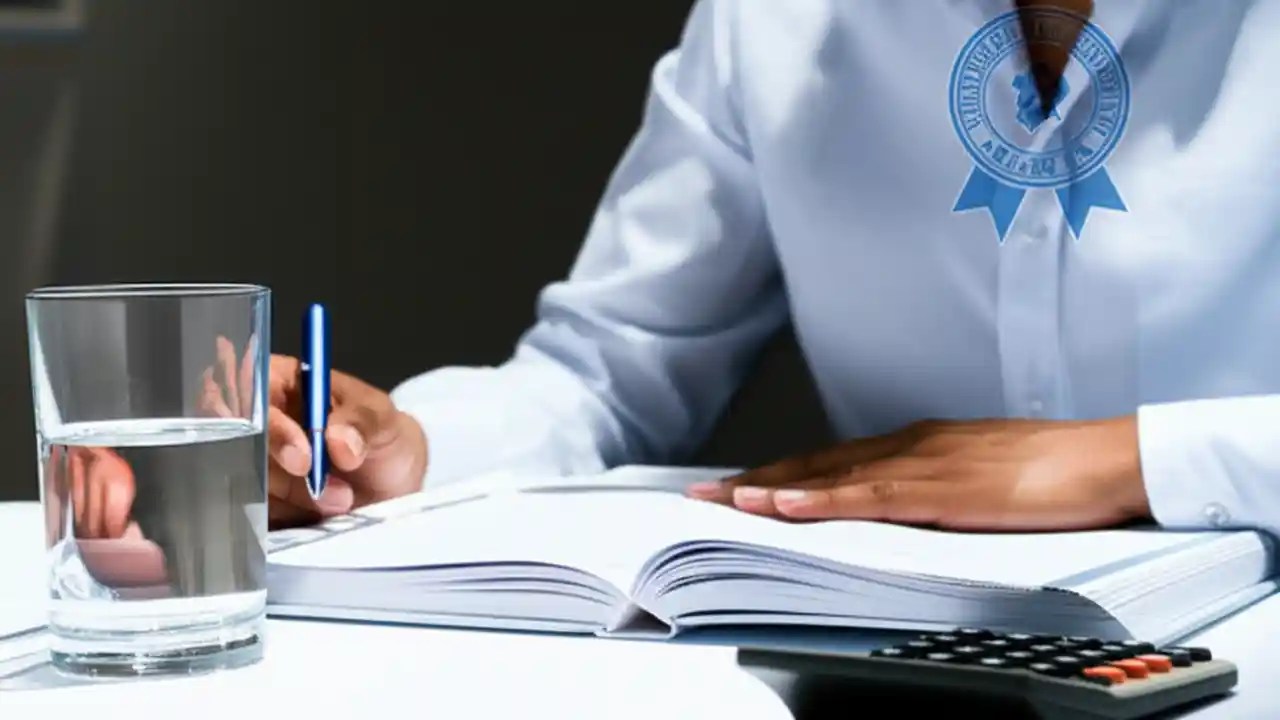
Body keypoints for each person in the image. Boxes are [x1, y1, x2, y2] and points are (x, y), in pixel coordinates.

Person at [261, 0, 1279, 538]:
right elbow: (608, 372)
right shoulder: (772, 17)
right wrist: (407, 450)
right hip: (901, 667)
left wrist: (1128, 461)